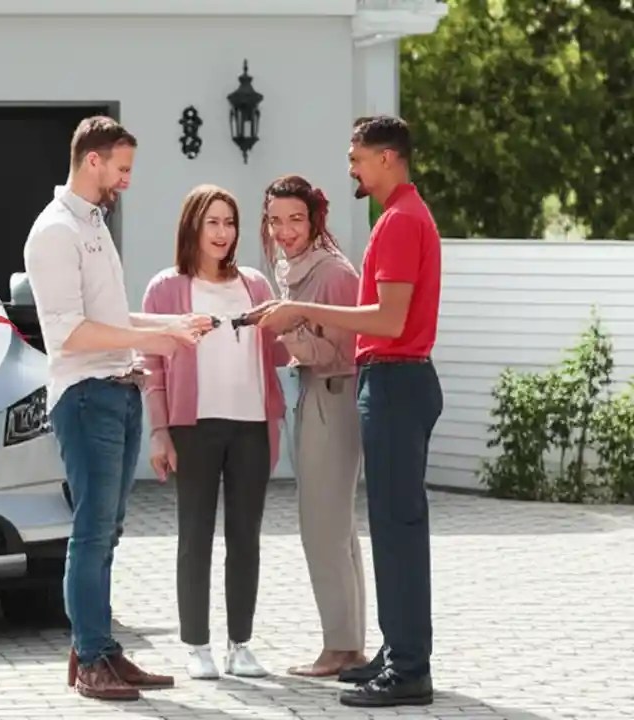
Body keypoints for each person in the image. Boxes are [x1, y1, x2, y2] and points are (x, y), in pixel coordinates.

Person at [22, 116, 214, 702]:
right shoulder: (55, 232)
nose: (127, 180)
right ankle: (91, 662)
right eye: (123, 168)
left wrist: (170, 325)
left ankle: (98, 650)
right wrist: (156, 342)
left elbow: (114, 317)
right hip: (86, 398)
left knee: (110, 530)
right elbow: (69, 335)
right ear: (93, 160)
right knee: (91, 531)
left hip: (118, 391)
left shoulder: (94, 225)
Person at [255, 115, 443, 708]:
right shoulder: (398, 218)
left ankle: (408, 668)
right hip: (393, 382)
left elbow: (388, 321)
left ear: (387, 157)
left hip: (396, 382)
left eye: (357, 157)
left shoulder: (401, 222)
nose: (351, 167)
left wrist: (301, 311)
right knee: (388, 529)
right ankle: (395, 652)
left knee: (398, 533)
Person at [140, 184, 289, 682]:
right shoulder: (166, 287)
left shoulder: (256, 285)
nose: (223, 233)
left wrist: (294, 314)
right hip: (193, 427)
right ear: (193, 226)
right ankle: (196, 645)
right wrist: (160, 431)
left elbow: (280, 354)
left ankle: (240, 645)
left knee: (245, 537)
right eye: (213, 222)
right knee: (195, 536)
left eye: (229, 223)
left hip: (252, 425)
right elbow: (153, 366)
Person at [259, 174, 368, 678]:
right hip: (313, 395)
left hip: (334, 396)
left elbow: (344, 352)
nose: (284, 231)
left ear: (314, 219)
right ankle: (347, 644)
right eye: (276, 220)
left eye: (295, 220)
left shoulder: (333, 273)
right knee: (335, 529)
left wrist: (288, 334)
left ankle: (340, 648)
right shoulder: (291, 266)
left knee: (324, 531)